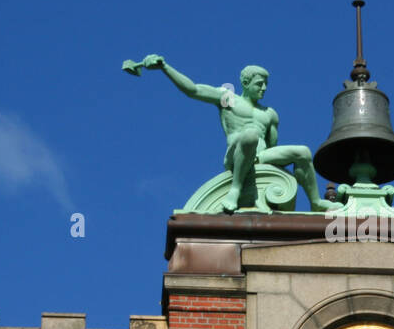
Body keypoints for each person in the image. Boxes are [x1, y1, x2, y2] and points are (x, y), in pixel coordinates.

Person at [129, 55, 333, 213]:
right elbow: (193, 90)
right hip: (237, 154)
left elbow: (272, 144)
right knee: (251, 134)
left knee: (304, 152)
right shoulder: (228, 99)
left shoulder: (269, 114)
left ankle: (315, 202)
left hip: (260, 156)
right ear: (245, 83)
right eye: (258, 84)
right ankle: (235, 191)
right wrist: (165, 68)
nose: (263, 88)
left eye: (265, 84)